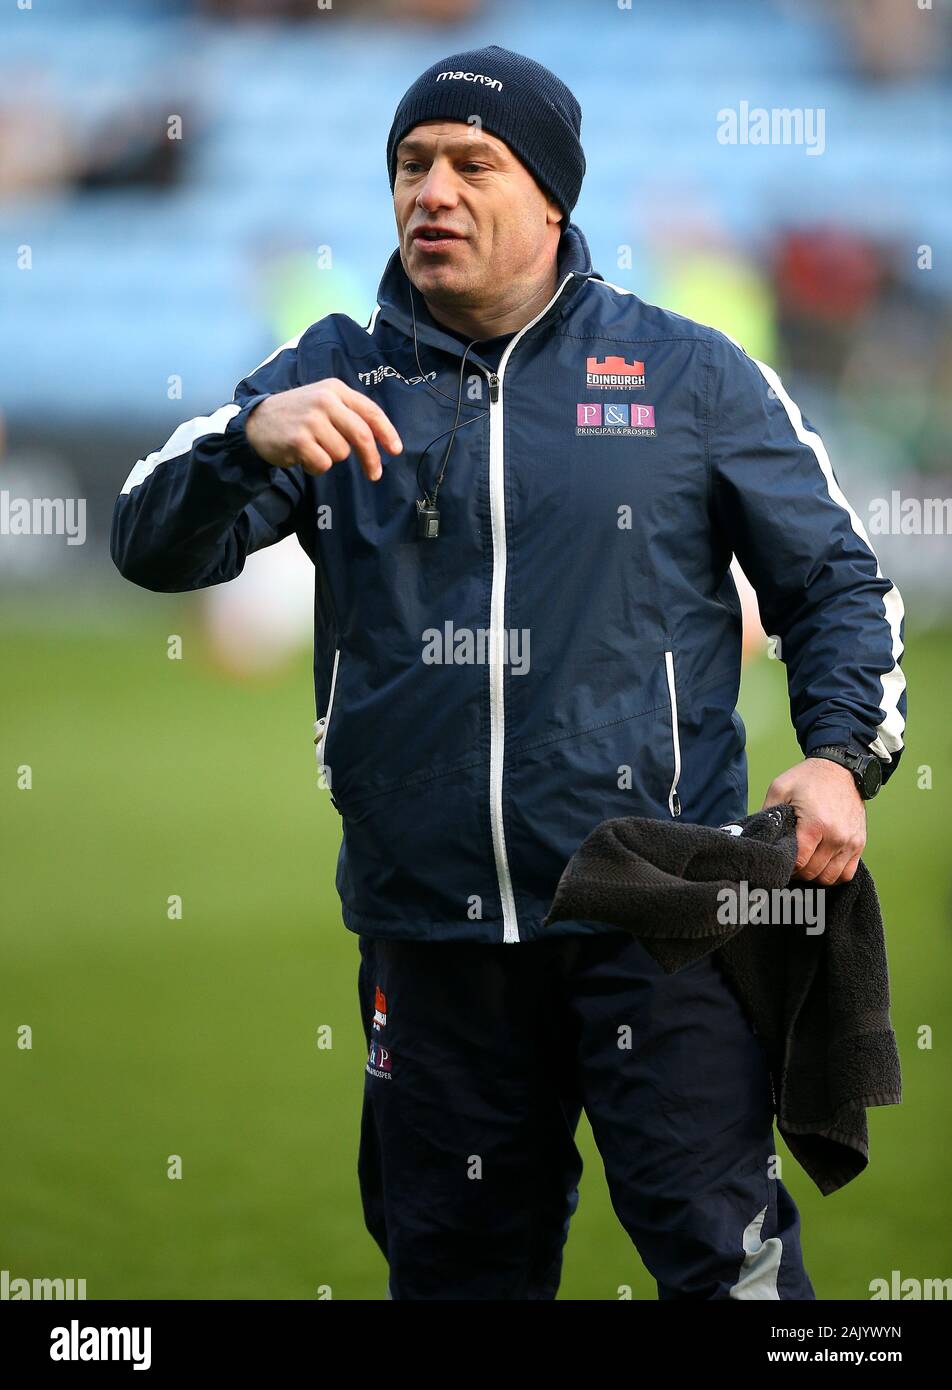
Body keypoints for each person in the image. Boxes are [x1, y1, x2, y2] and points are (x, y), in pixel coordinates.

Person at [111, 44, 906, 1300]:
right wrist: (240, 444)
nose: (433, 187)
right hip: (430, 932)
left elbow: (835, 584)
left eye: (473, 162)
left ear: (550, 197)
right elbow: (153, 547)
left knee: (728, 1269)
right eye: (411, 163)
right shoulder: (326, 374)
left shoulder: (686, 372)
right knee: (456, 1274)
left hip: (661, 912)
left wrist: (839, 753)